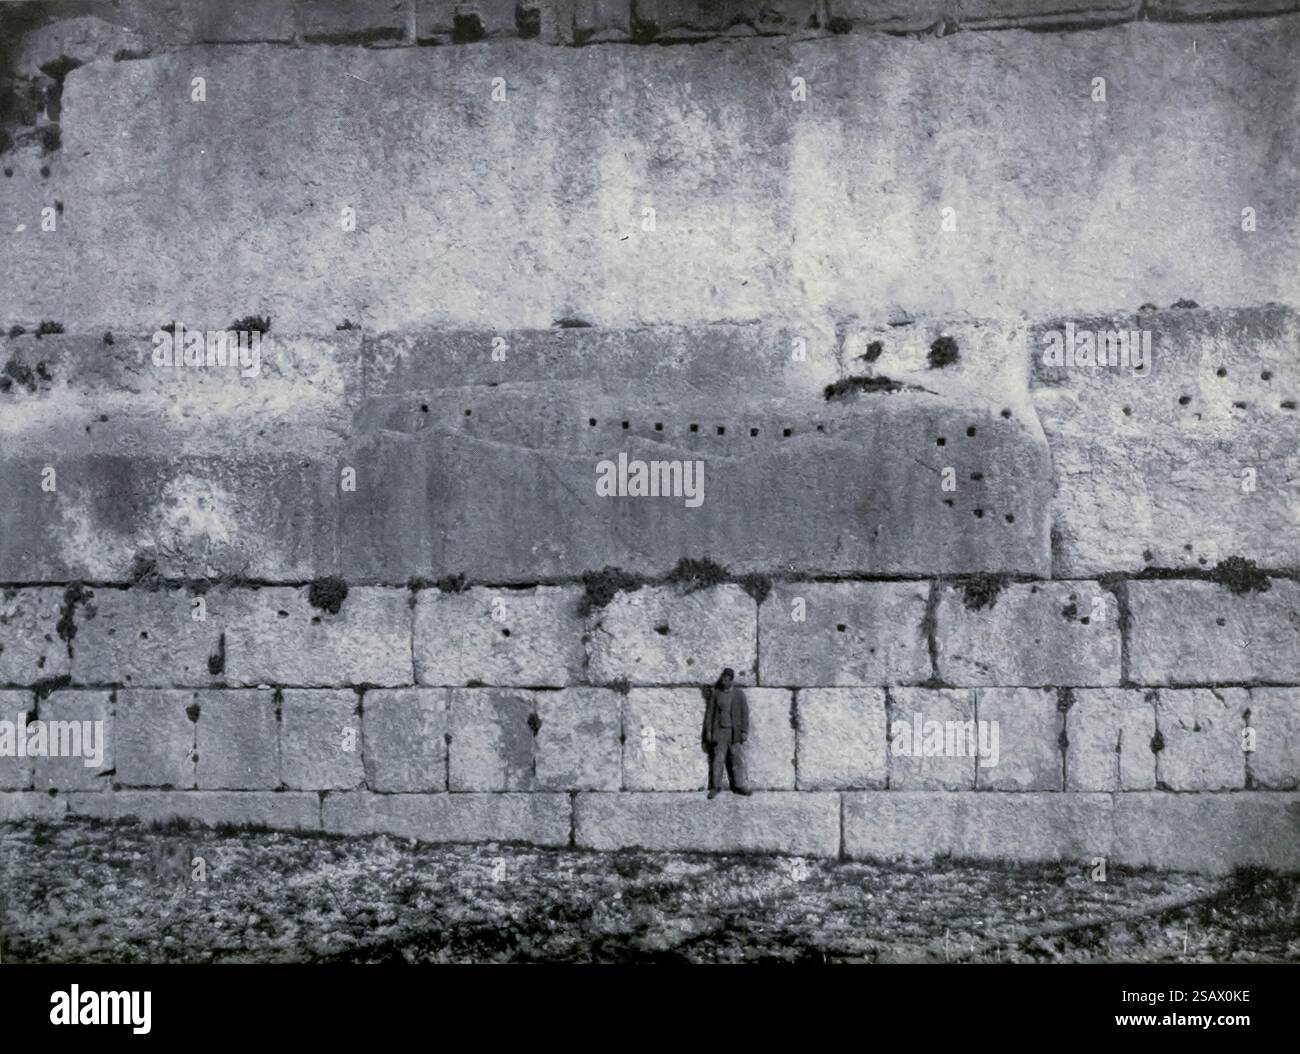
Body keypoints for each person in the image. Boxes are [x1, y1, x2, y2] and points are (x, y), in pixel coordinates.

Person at [703, 667, 752, 798]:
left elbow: (745, 714)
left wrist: (744, 731)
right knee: (718, 760)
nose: (723, 682)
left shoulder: (739, 694)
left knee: (737, 760)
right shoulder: (716, 694)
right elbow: (710, 714)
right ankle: (715, 786)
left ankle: (740, 785)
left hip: (734, 733)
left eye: (726, 680)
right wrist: (708, 731)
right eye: (722, 679)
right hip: (720, 732)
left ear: (731, 681)